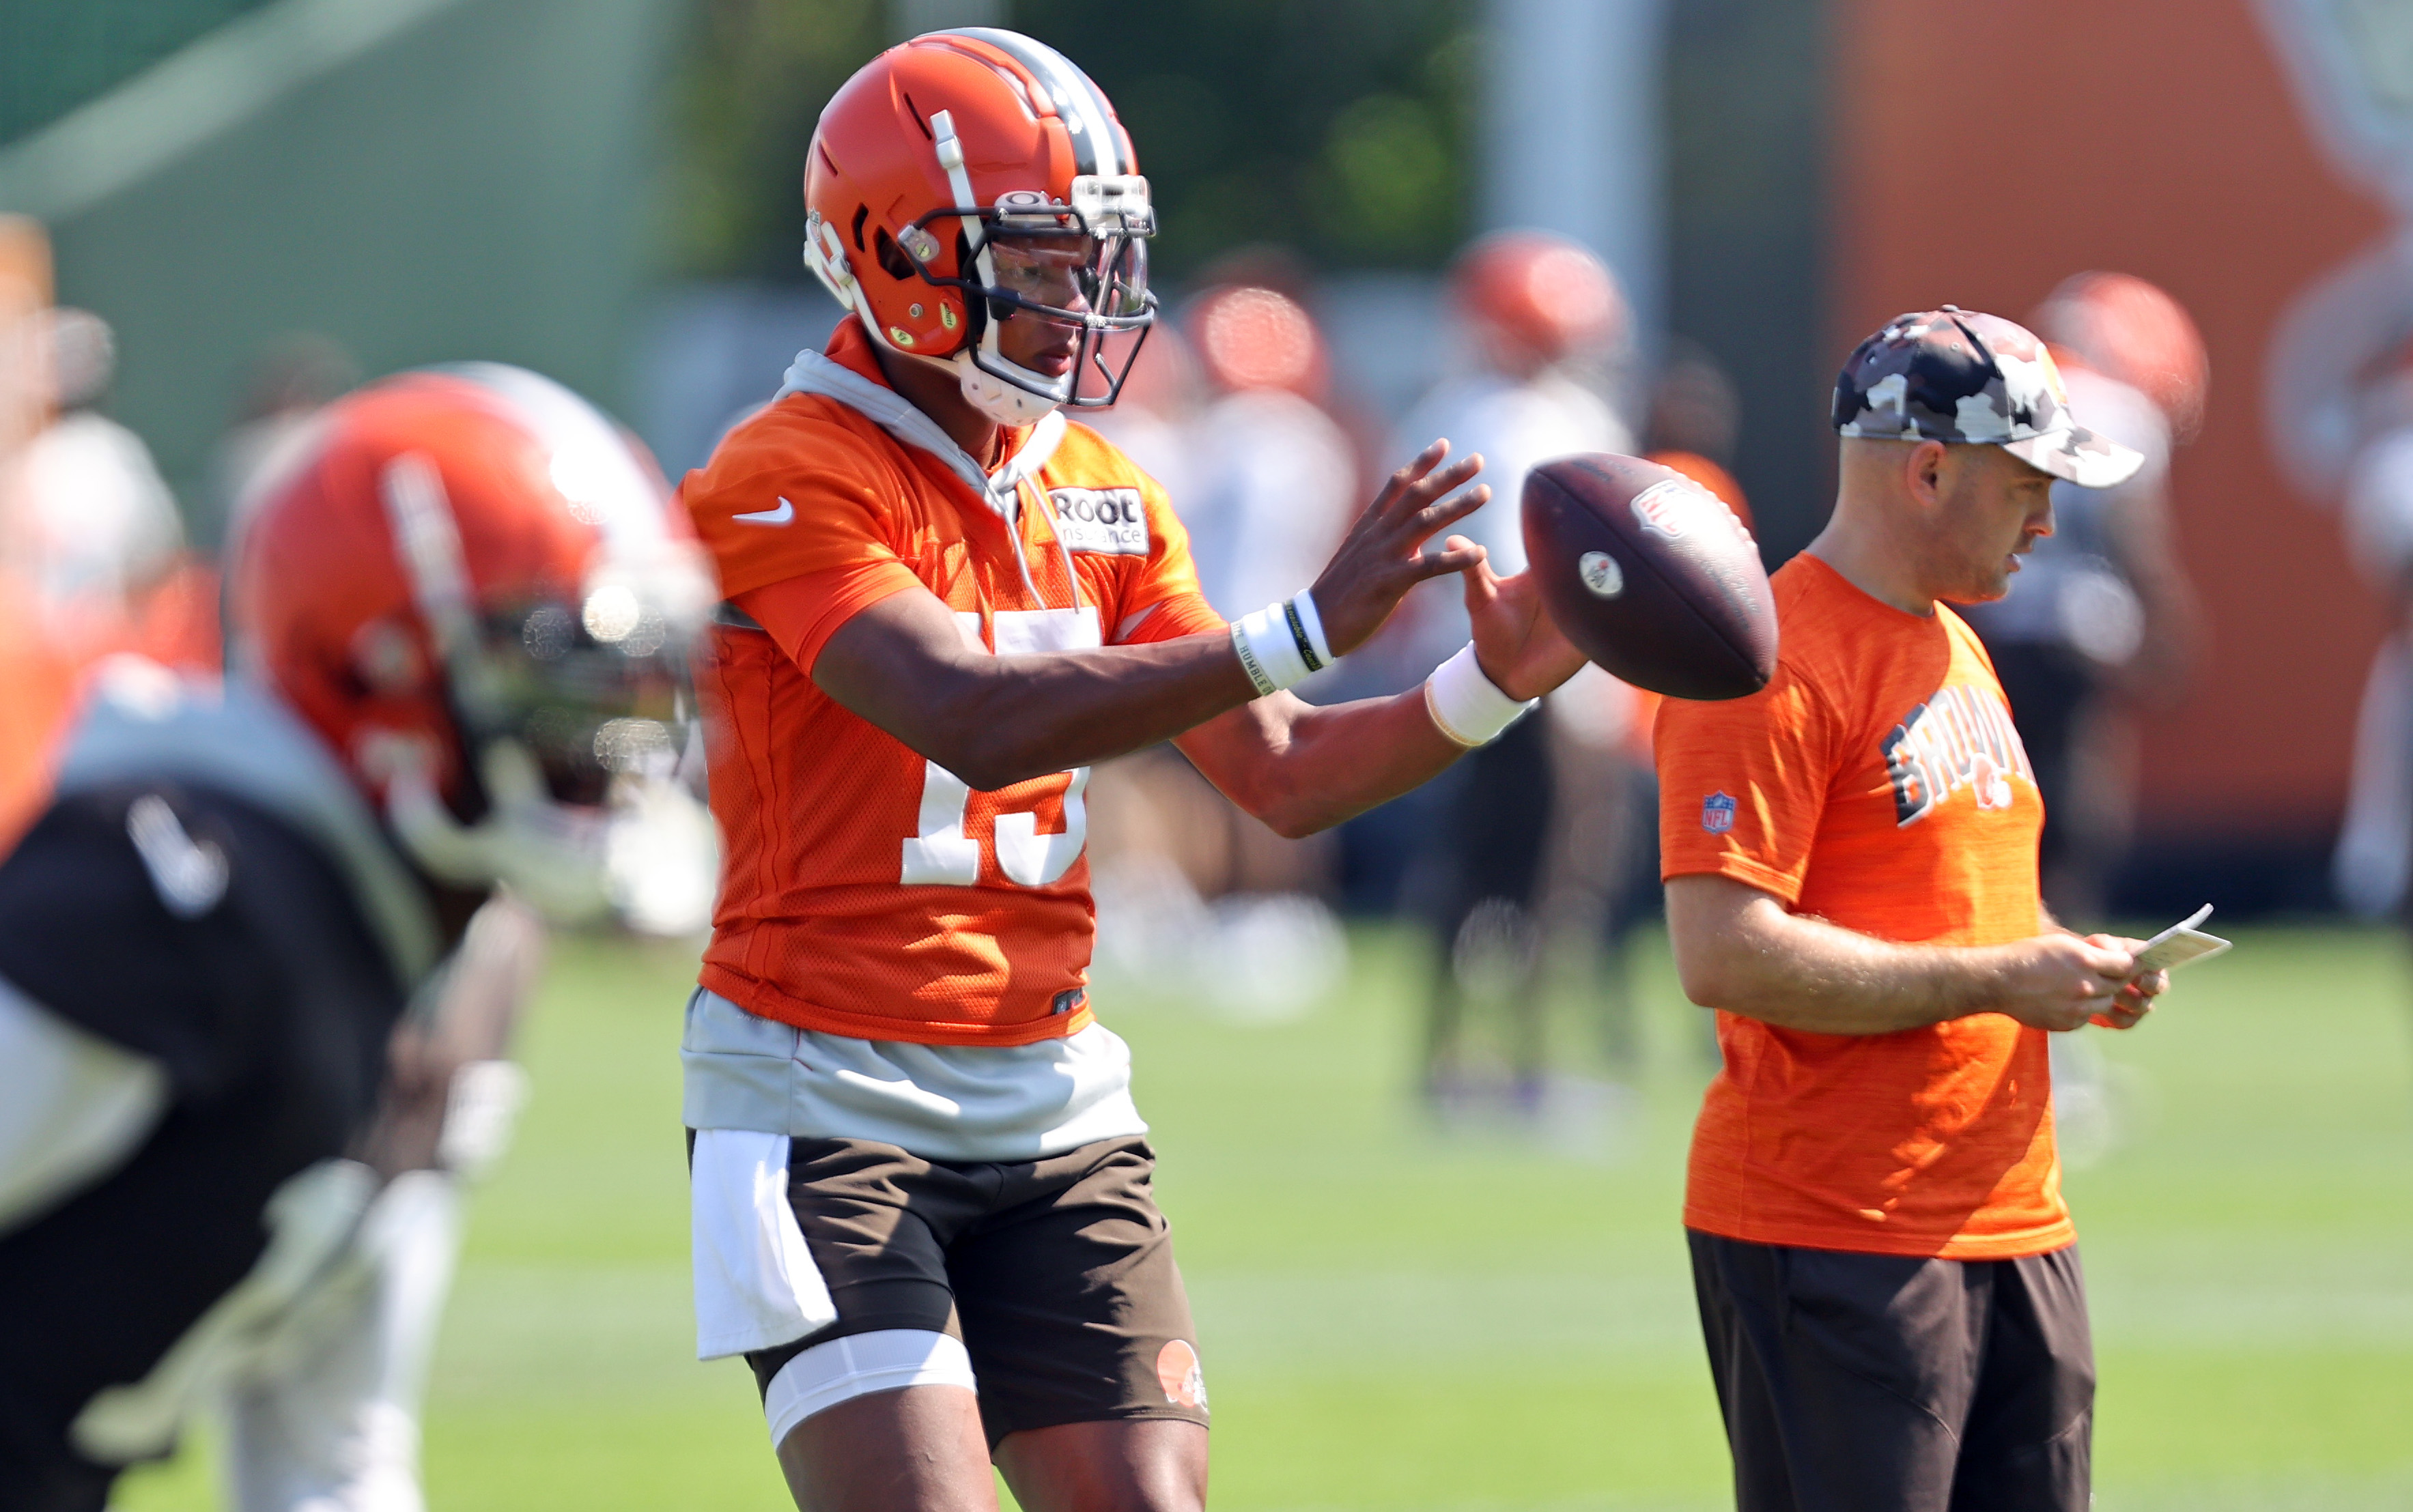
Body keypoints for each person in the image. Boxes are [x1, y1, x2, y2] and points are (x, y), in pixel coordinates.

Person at [675, 29, 1582, 1512]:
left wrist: (1494, 682)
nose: (1079, 301)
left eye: (1096, 257)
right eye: (1034, 259)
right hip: (826, 1089)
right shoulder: (787, 468)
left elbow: (1276, 775)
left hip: (1053, 1095)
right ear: (892, 252)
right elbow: (966, 712)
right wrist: (1294, 628)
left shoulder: (1100, 490)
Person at [0, 364, 715, 1512]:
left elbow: (328, 1453)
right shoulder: (177, 895)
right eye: (554, 681)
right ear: (375, 660)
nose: (608, 744)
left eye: (631, 684)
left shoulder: (466, 956)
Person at [1656, 306, 2173, 1512]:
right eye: (2021, 487)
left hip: (2011, 1217)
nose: (2047, 522)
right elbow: (1720, 952)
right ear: (1928, 469)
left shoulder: (1957, 643)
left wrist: (2064, 963)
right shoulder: (1766, 659)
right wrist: (1997, 979)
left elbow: (1962, 899)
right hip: (1834, 1228)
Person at [1387, 230, 1632, 1116]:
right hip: (1530, 682)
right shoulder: (1510, 421)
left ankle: (1455, 1062)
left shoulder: (1466, 412)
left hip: (1487, 681)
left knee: (1485, 878)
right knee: (1529, 883)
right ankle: (1510, 1067)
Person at [1956, 272, 2205, 926]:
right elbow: (2136, 540)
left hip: (1973, 629)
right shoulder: (2119, 411)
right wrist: (2168, 633)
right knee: (2072, 821)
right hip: (2068, 643)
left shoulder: (1999, 397)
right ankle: (2054, 961)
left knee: (1983, 811)